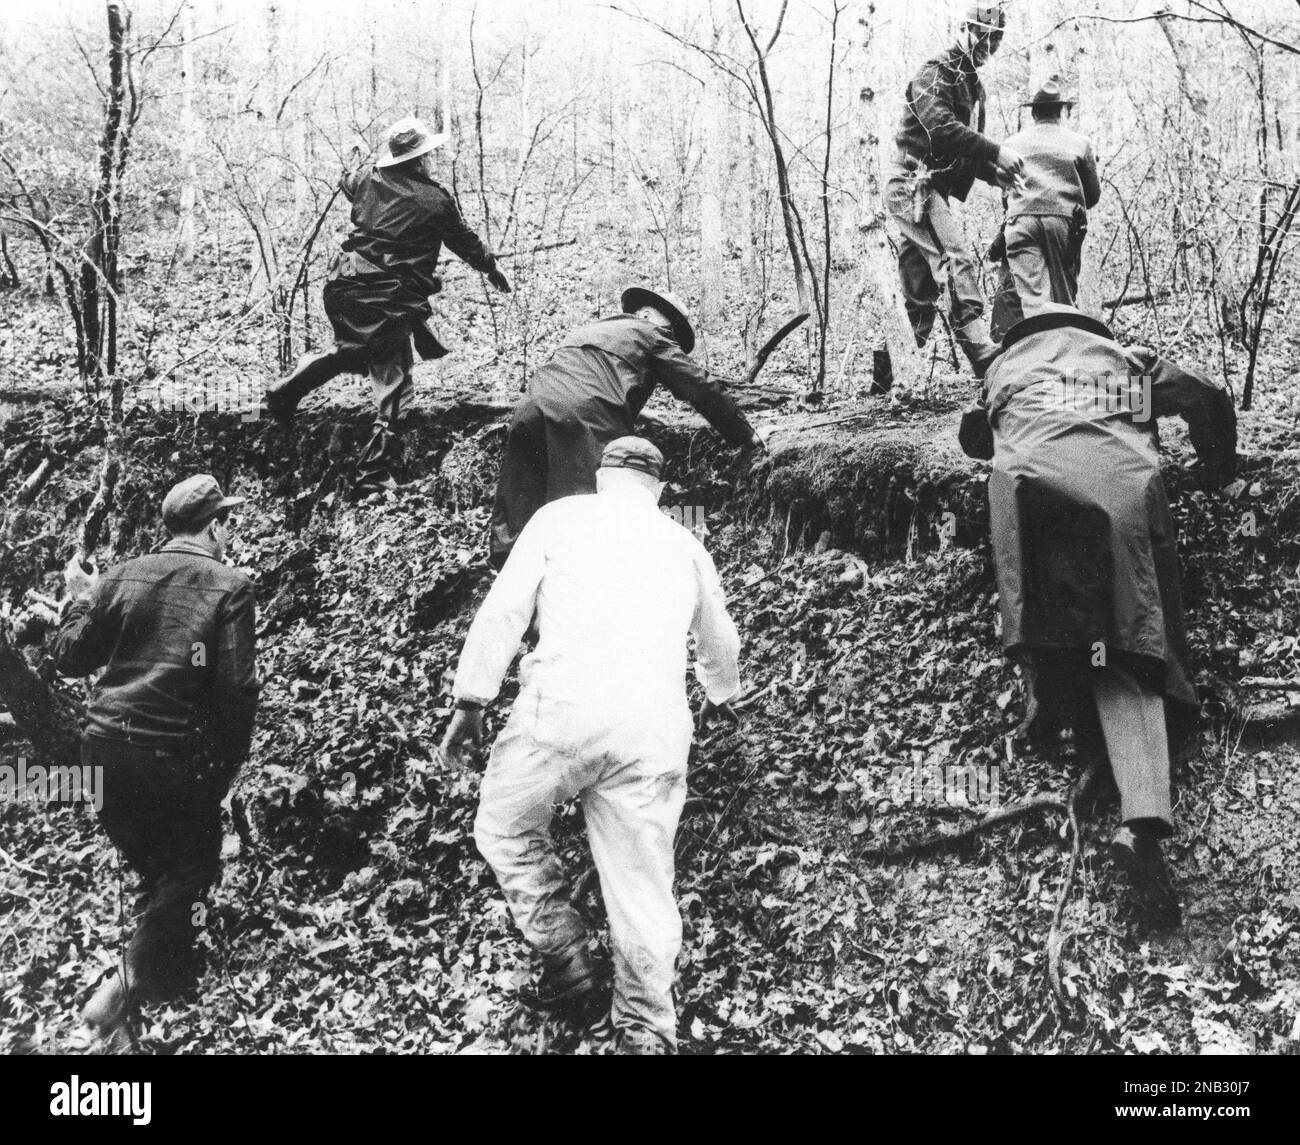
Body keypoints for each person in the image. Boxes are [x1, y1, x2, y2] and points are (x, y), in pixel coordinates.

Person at [442, 437, 743, 1054]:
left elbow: (503, 612)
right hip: (653, 728)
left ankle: (566, 957)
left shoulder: (559, 519)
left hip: (562, 712)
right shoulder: (685, 543)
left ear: (602, 477)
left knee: (503, 828)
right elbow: (721, 639)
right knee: (641, 882)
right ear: (659, 489)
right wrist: (719, 695)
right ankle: (646, 1027)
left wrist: (471, 701)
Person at [966, 305, 1236, 927]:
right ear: (1091, 332)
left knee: (1051, 597)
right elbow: (1206, 396)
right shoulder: (1118, 364)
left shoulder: (1004, 372)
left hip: (1031, 494)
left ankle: (1051, 700)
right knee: (1128, 646)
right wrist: (1218, 465)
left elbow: (974, 438)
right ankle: (1140, 823)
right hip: (1116, 496)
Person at [53, 475, 260, 1048]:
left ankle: (168, 972)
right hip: (167, 754)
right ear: (216, 526)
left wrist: (80, 599)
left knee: (160, 859)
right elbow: (236, 691)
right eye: (227, 524)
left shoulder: (121, 575)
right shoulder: (231, 585)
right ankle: (124, 985)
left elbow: (71, 657)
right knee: (192, 865)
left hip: (100, 751)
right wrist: (221, 770)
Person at [264, 115, 511, 498]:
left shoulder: (366, 181)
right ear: (419, 160)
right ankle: (372, 474)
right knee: (395, 389)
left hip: (344, 286)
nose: (432, 160)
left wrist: (356, 160)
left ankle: (286, 392)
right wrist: (491, 267)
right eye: (428, 154)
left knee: (354, 351)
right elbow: (465, 242)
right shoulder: (434, 200)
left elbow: (347, 181)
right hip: (385, 300)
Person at [489, 285, 765, 568]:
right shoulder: (651, 333)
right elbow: (699, 387)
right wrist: (745, 434)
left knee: (521, 504)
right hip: (583, 420)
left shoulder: (590, 330)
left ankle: (507, 572)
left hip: (530, 408)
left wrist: (637, 412)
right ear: (646, 314)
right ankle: (584, 580)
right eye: (671, 330)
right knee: (593, 507)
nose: (671, 339)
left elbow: (582, 377)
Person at [879, 2, 1022, 382]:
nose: (988, 49)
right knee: (954, 256)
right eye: (984, 38)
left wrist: (996, 175)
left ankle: (890, 373)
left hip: (930, 185)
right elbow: (940, 128)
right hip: (912, 183)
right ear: (966, 31)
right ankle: (981, 353)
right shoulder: (936, 72)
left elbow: (962, 151)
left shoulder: (974, 85)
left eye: (995, 42)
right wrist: (996, 151)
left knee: (918, 284)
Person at [989, 76, 1101, 337]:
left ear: (1034, 113)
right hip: (1063, 222)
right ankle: (1065, 362)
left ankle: (1039, 364)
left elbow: (1005, 193)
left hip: (1020, 222)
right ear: (1061, 111)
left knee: (1033, 303)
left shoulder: (1011, 144)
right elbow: (1092, 196)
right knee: (1063, 300)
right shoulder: (1080, 143)